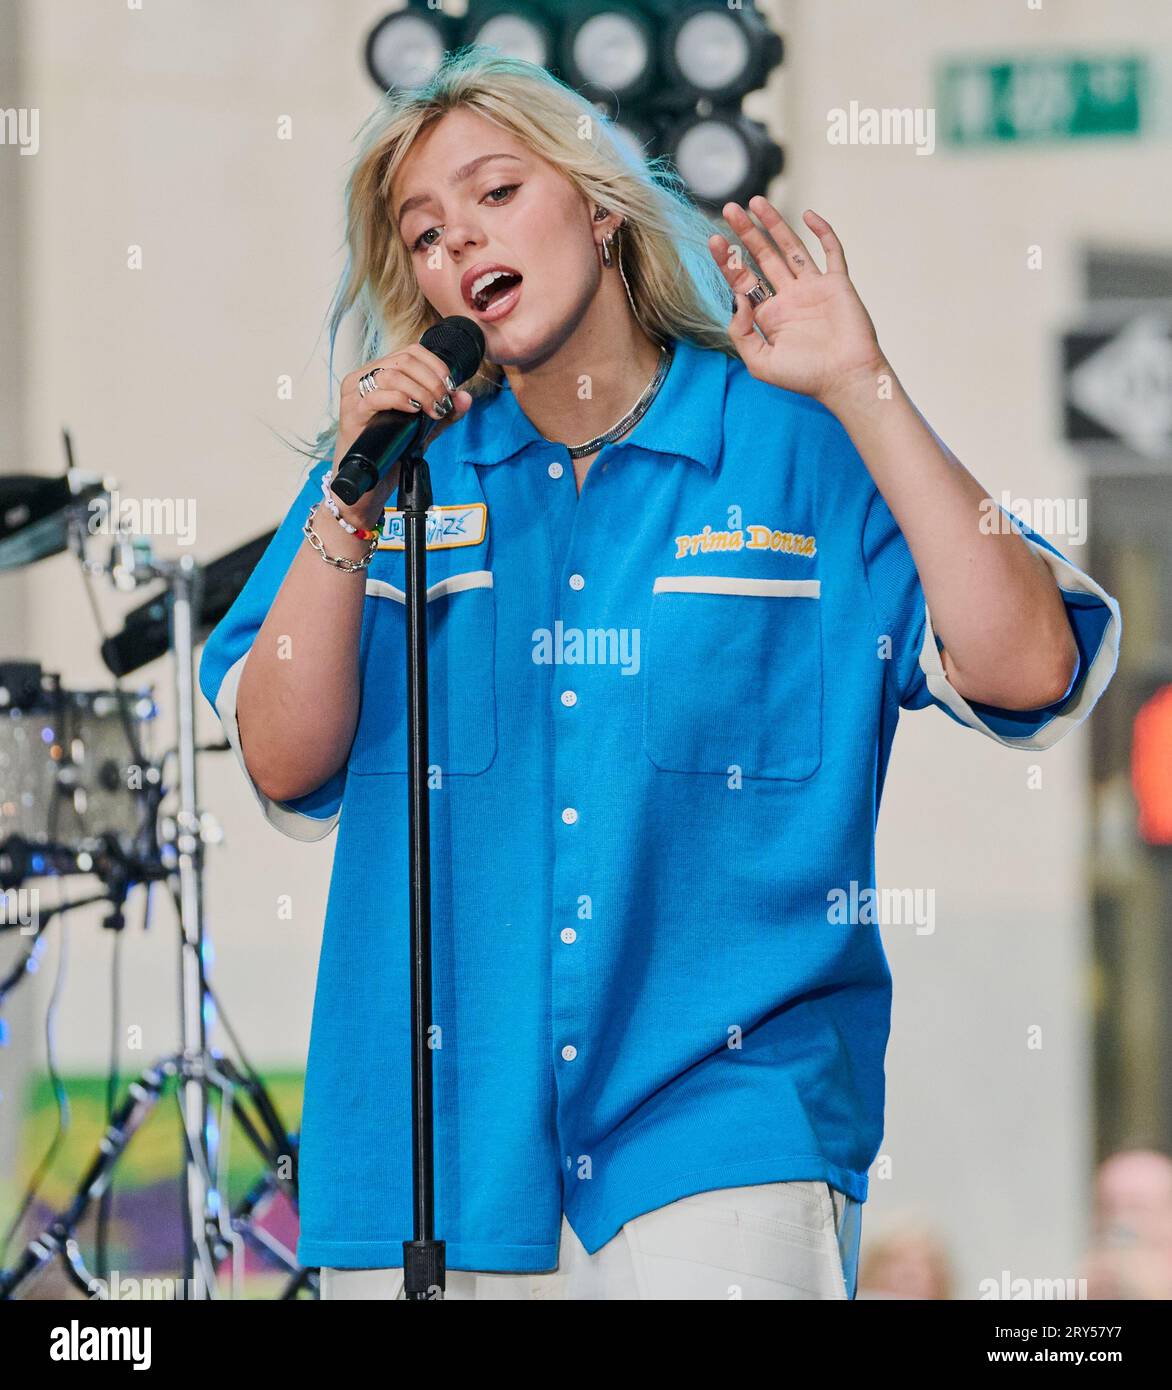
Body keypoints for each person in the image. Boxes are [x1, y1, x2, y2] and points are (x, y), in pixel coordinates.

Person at [199, 49, 1121, 1300]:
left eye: (493, 193)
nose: (456, 241)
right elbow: (281, 755)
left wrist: (863, 385)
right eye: (421, 234)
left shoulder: (797, 444)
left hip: (724, 1133)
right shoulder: (389, 484)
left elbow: (1030, 662)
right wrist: (343, 503)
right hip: (431, 1159)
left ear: (599, 201)